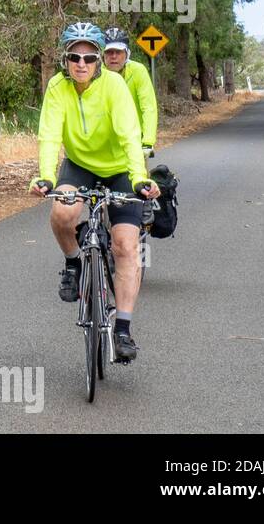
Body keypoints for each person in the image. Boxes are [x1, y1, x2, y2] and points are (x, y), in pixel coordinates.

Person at [29, 22, 160, 362]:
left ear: (100, 59)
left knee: (126, 247)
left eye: (89, 57)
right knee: (63, 212)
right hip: (79, 165)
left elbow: (130, 135)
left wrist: (138, 178)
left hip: (119, 170)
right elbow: (49, 135)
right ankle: (73, 263)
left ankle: (123, 330)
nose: (82, 64)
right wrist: (45, 176)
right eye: (74, 57)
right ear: (65, 60)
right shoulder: (57, 87)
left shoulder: (115, 86)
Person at [102, 27, 158, 164]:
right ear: (102, 55)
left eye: (118, 52)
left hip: (134, 140)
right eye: (109, 52)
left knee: (141, 182)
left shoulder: (138, 71)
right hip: (103, 142)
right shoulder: (95, 74)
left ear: (127, 54)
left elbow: (148, 107)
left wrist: (147, 142)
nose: (113, 56)